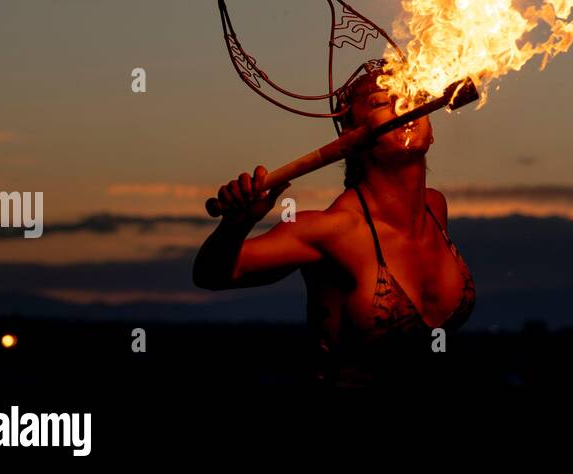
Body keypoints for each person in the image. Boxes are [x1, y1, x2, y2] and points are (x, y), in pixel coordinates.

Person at [193, 71, 475, 385]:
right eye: (382, 102)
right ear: (351, 138)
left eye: (411, 97)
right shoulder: (331, 230)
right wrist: (237, 224)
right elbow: (211, 276)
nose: (403, 106)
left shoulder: (435, 207)